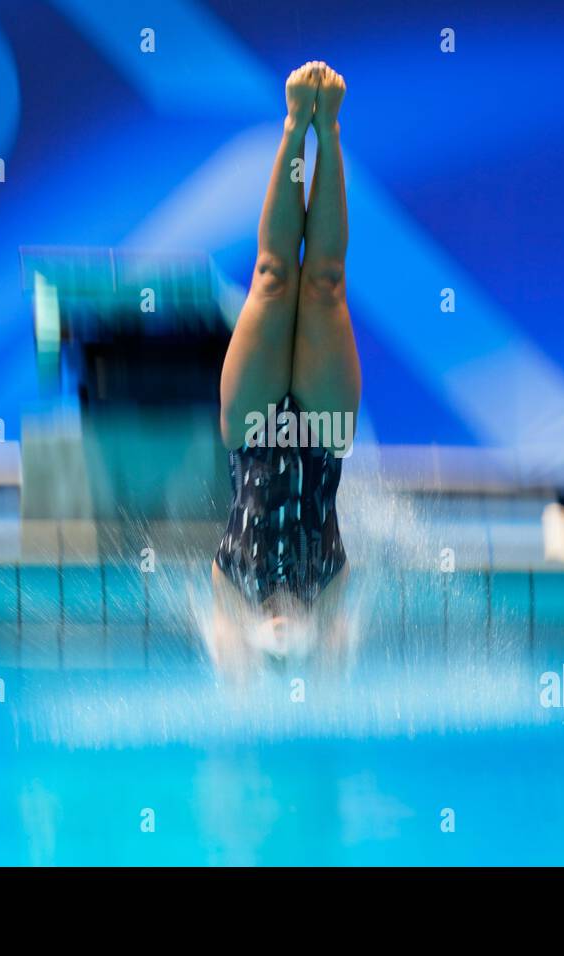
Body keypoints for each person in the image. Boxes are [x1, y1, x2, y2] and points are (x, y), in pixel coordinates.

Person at [210, 62, 361, 676]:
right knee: (322, 284)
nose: (278, 631)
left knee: (274, 277)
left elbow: (235, 707)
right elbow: (333, 698)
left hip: (251, 432)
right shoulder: (331, 602)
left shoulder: (229, 602)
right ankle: (330, 129)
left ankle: (295, 126)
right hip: (323, 438)